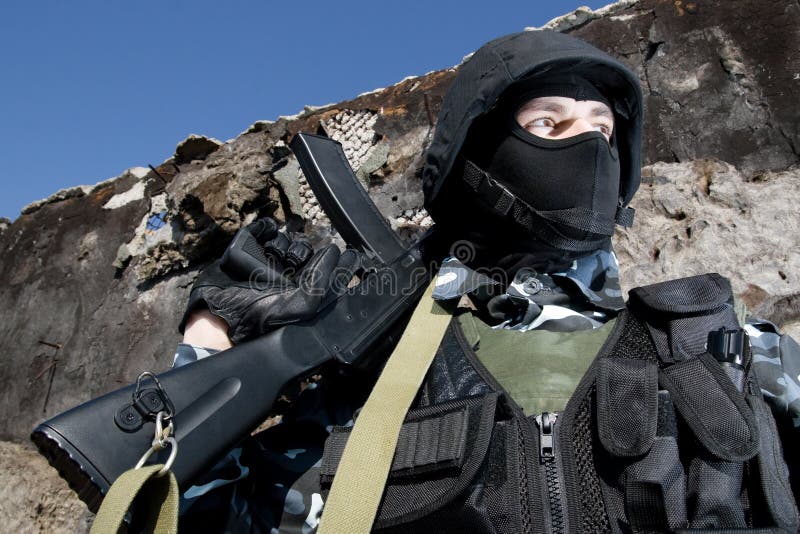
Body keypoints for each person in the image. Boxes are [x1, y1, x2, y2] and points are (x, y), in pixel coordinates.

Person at [175, 29, 800, 532]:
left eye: (602, 130)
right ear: (475, 159)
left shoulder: (718, 345)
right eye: (549, 125)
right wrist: (211, 348)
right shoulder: (382, 378)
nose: (585, 145)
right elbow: (210, 517)